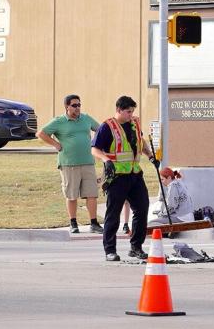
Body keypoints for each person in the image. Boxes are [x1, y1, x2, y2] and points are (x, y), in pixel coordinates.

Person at [91, 96, 157, 261]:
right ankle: (110, 251)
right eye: (128, 111)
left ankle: (136, 247)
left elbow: (140, 141)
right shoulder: (107, 127)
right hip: (117, 177)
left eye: (132, 111)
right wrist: (106, 160)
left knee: (142, 209)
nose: (131, 114)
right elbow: (95, 149)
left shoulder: (134, 123)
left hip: (135, 175)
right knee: (113, 214)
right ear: (119, 110)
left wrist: (150, 156)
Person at [36, 94, 104, 234]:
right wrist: (56, 144)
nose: (77, 108)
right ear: (67, 107)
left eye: (79, 105)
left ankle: (94, 223)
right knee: (71, 195)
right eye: (74, 105)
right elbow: (41, 133)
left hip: (88, 162)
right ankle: (73, 223)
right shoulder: (59, 121)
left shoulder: (86, 118)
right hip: (69, 164)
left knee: (92, 194)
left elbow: (101, 130)